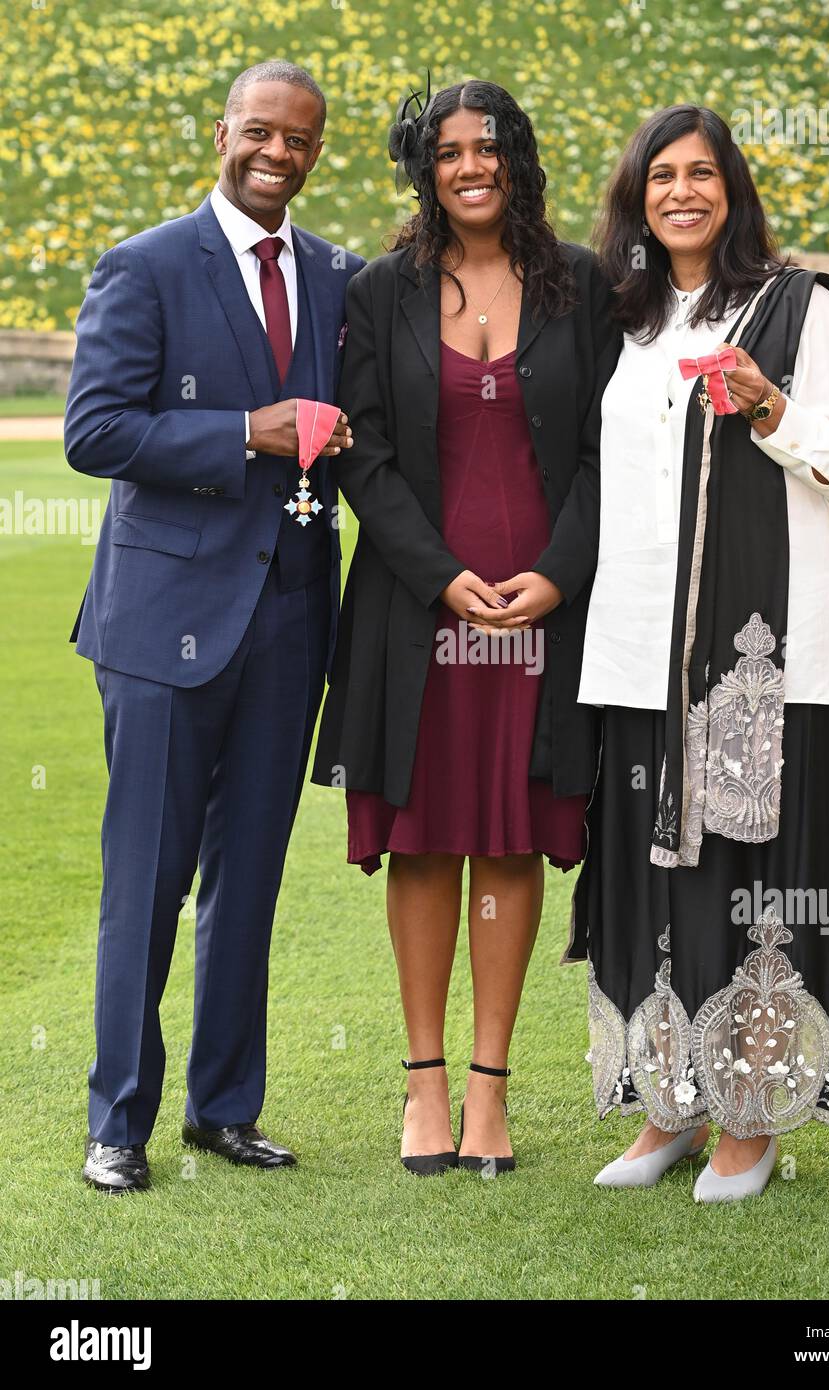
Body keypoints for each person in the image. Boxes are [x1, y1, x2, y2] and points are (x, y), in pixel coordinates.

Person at [567, 105, 829, 1202]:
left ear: (733, 190)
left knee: (755, 891)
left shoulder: (800, 306)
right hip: (636, 656)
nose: (681, 192)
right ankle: (668, 1109)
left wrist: (770, 406)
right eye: (661, 175)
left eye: (702, 173)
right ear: (637, 197)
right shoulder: (631, 319)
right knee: (649, 890)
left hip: (764, 664)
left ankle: (749, 1122)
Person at [311, 77, 621, 1176]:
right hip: (417, 611)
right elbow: (362, 451)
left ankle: (490, 1090)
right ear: (423, 166)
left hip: (543, 612)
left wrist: (555, 573)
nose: (469, 165)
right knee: (424, 831)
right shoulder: (377, 290)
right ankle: (423, 1082)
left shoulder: (581, 285)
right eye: (446, 150)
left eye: (487, 147)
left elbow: (603, 449)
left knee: (509, 831)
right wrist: (442, 577)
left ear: (517, 157)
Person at [64, 61, 364, 1193]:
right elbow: (94, 432)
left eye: (298, 138)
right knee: (145, 877)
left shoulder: (338, 277)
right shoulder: (144, 265)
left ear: (317, 150)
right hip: (163, 624)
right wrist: (249, 429)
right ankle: (117, 1121)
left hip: (290, 618)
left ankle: (223, 1106)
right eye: (258, 132)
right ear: (223, 132)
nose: (276, 152)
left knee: (250, 880)